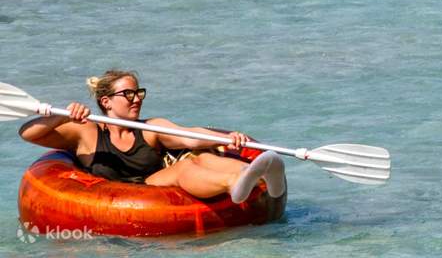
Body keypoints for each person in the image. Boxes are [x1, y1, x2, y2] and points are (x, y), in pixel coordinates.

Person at [17, 70, 286, 203]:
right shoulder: (86, 131)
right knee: (186, 169)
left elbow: (189, 137)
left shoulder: (150, 128)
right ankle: (233, 183)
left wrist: (226, 139)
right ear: (106, 102)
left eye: (139, 93)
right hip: (126, 195)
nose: (137, 99)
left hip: (154, 181)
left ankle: (254, 174)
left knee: (198, 159)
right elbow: (27, 133)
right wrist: (62, 115)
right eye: (128, 94)